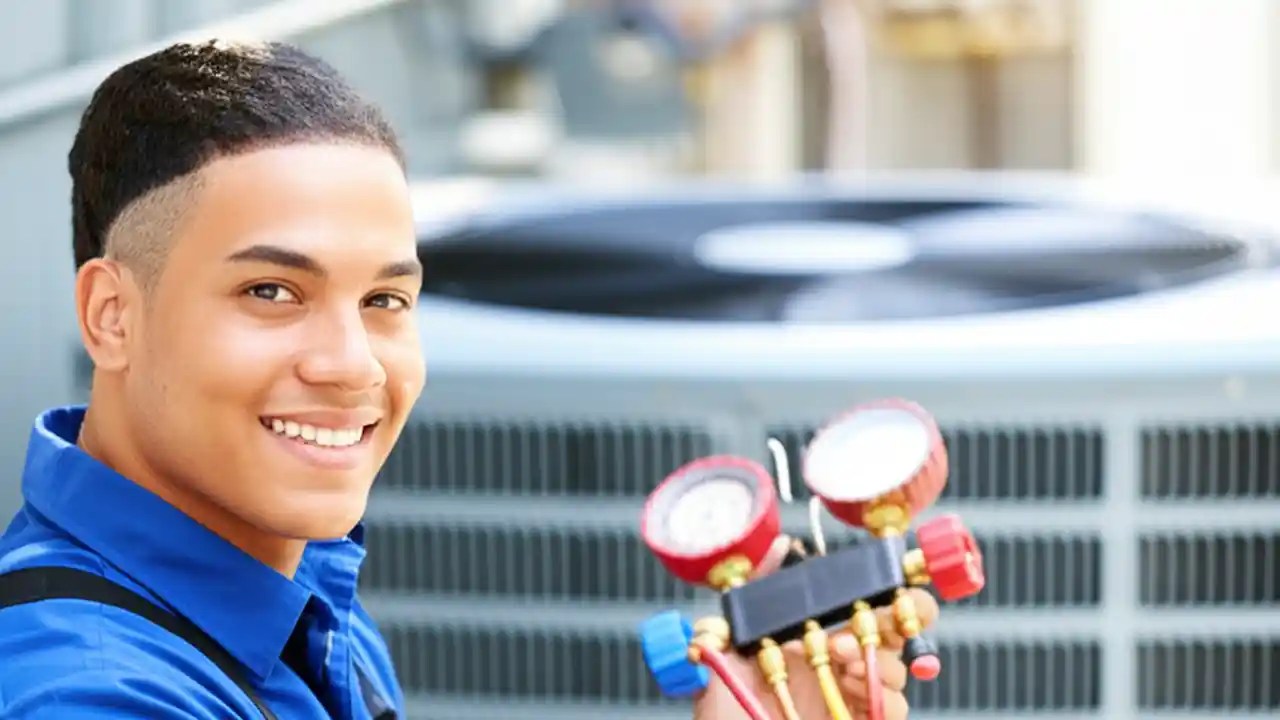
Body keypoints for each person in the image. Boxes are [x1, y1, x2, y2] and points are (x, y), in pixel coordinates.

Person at [0, 39, 937, 719]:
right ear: (110, 316)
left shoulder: (297, 581)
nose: (351, 365)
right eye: (273, 291)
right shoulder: (83, 691)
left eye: (385, 301)